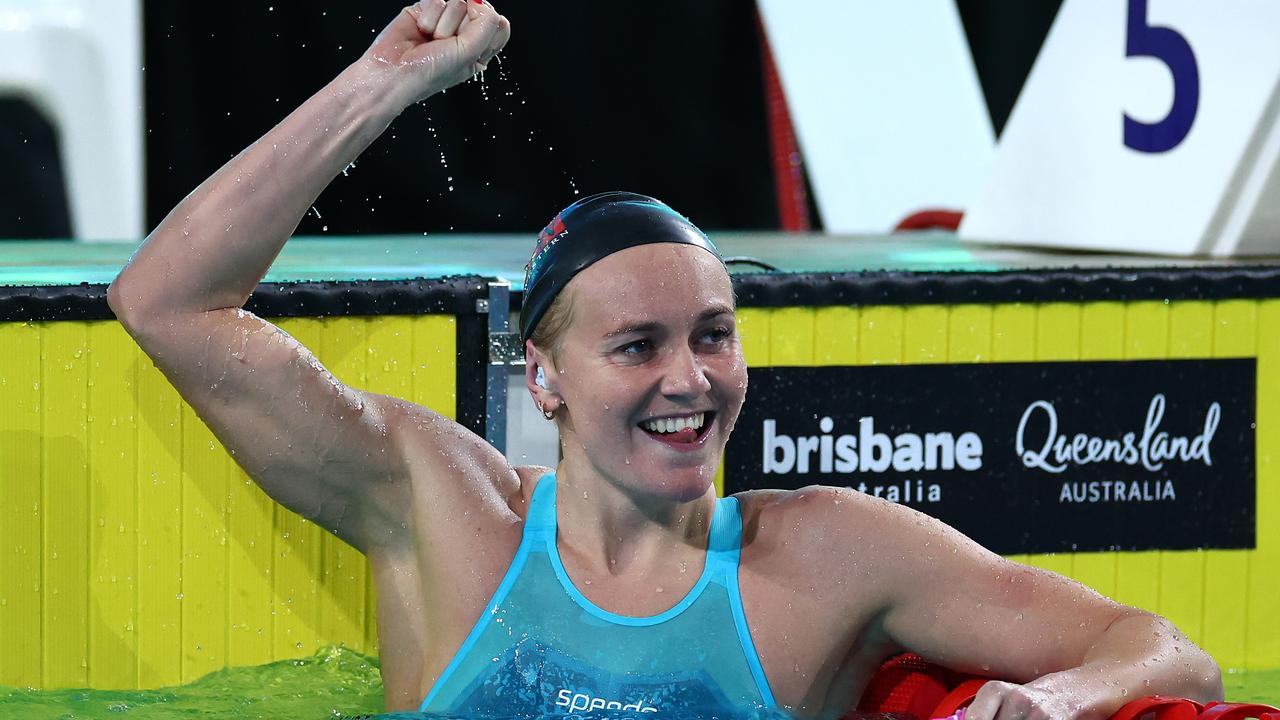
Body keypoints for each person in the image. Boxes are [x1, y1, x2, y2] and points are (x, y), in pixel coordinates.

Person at [107, 1, 1223, 717]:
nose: (688, 378)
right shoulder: (437, 509)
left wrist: (1062, 703)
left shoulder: (825, 555)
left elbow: (1162, 649)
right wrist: (383, 84)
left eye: (711, 334)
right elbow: (164, 302)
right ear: (543, 379)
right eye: (636, 345)